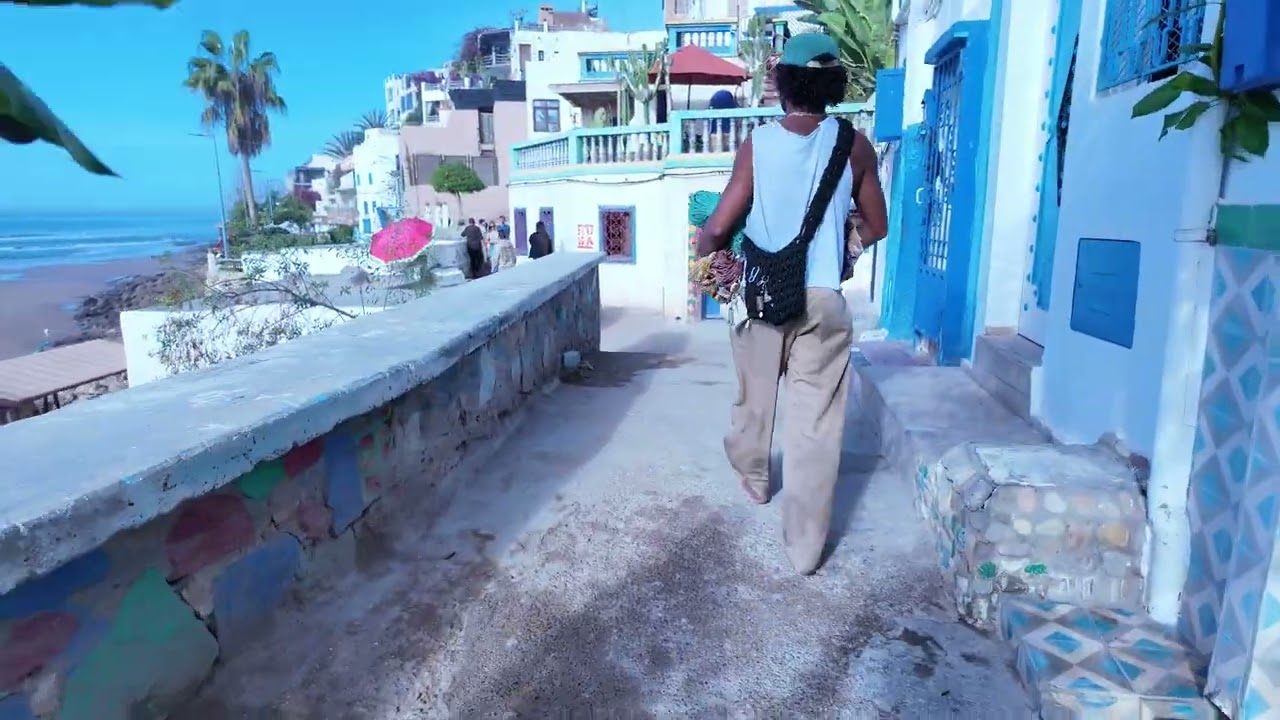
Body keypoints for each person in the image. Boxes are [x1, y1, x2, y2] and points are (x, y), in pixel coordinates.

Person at [696, 32, 888, 575]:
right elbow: (877, 224)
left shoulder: (760, 142)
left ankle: (755, 480)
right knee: (816, 424)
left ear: (783, 83)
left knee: (754, 398)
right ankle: (805, 550)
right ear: (831, 86)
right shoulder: (855, 144)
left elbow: (720, 222)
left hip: (761, 292)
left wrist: (707, 257)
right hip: (823, 297)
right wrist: (842, 250)